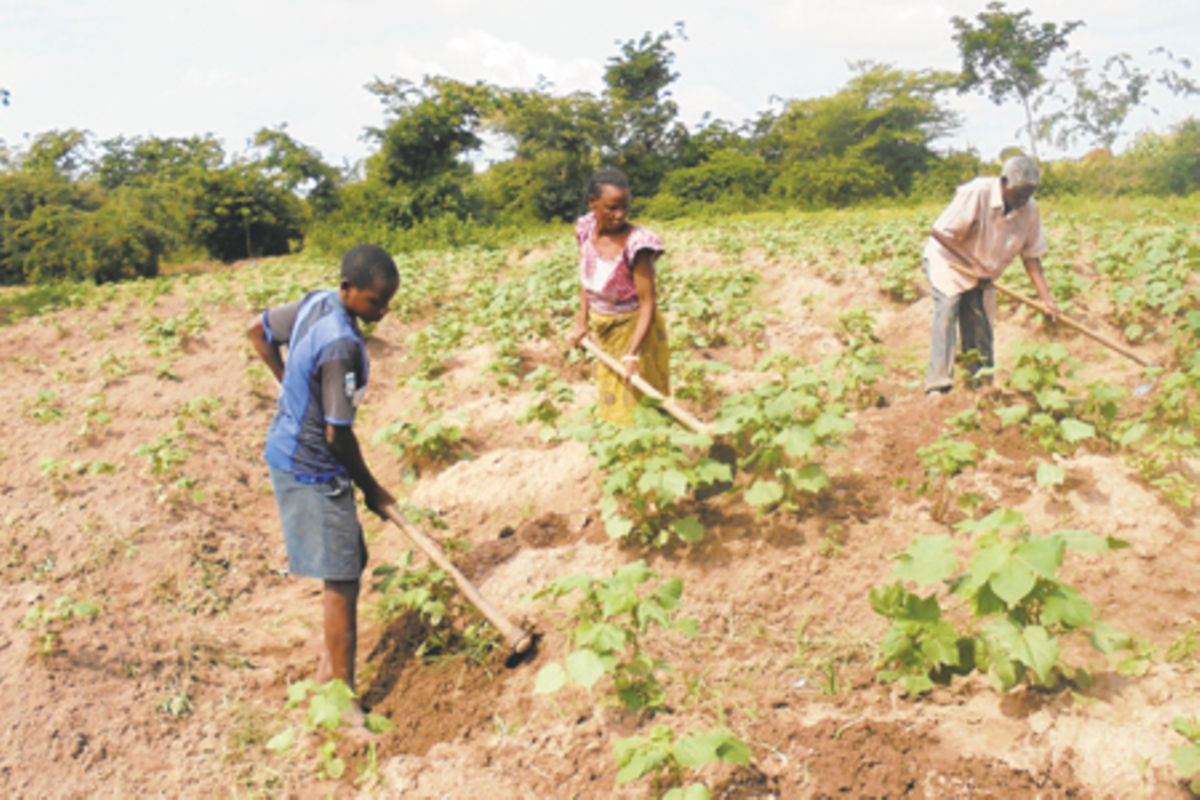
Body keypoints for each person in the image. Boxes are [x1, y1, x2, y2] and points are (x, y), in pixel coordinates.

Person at [246, 243, 399, 718]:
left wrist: (289, 382)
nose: (383, 310)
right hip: (310, 464)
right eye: (375, 301)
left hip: (295, 449)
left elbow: (258, 329)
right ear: (348, 289)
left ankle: (326, 670)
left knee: (352, 557)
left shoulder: (317, 301)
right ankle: (344, 700)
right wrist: (372, 489)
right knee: (342, 578)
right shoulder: (341, 346)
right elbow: (338, 435)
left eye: (388, 301)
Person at [922, 155, 1060, 395]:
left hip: (982, 274)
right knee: (948, 307)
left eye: (1028, 194)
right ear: (1003, 182)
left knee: (979, 323)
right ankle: (938, 384)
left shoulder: (1029, 210)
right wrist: (974, 264)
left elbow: (1031, 257)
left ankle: (982, 386)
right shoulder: (977, 192)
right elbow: (940, 232)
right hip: (949, 262)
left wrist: (1046, 298)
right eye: (1018, 194)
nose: (1022, 200)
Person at [570, 167, 670, 425]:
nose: (620, 215)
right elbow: (586, 277)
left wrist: (632, 353)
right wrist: (582, 322)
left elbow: (648, 302)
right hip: (604, 329)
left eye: (625, 207)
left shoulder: (638, 244)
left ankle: (651, 460)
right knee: (613, 400)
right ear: (593, 203)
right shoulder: (585, 229)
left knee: (639, 405)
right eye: (612, 208)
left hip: (636, 330)